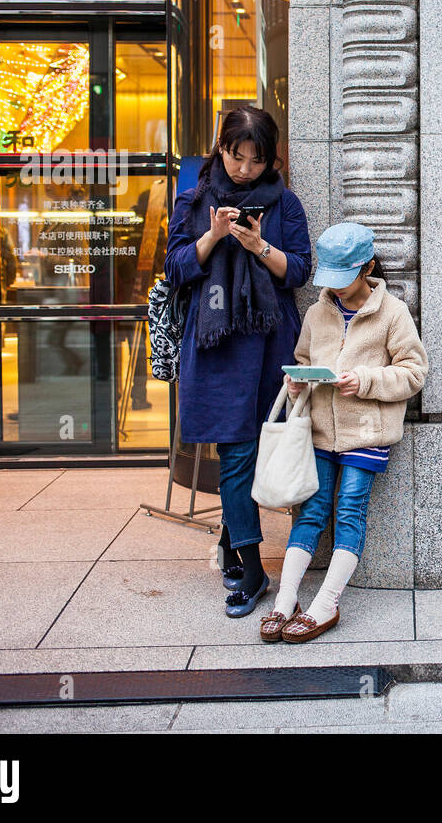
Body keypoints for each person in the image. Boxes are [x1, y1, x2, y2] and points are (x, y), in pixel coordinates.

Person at [163, 106, 312, 616]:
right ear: (220, 149)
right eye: (236, 156)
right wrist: (214, 237)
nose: (245, 168)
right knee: (235, 453)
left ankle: (232, 538)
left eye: (257, 159)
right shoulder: (195, 199)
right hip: (217, 345)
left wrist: (257, 245)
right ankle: (253, 570)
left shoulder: (284, 204)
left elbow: (297, 271)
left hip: (271, 345)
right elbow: (176, 268)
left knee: (259, 451)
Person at [258, 222, 427, 643]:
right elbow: (301, 358)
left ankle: (326, 603)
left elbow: (414, 372)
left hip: (367, 433)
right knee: (310, 513)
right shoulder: (317, 312)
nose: (336, 289)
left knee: (349, 510)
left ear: (367, 267)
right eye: (330, 279)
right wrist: (296, 382)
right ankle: (285, 601)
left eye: (344, 278)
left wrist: (365, 381)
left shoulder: (393, 313)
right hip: (317, 432)